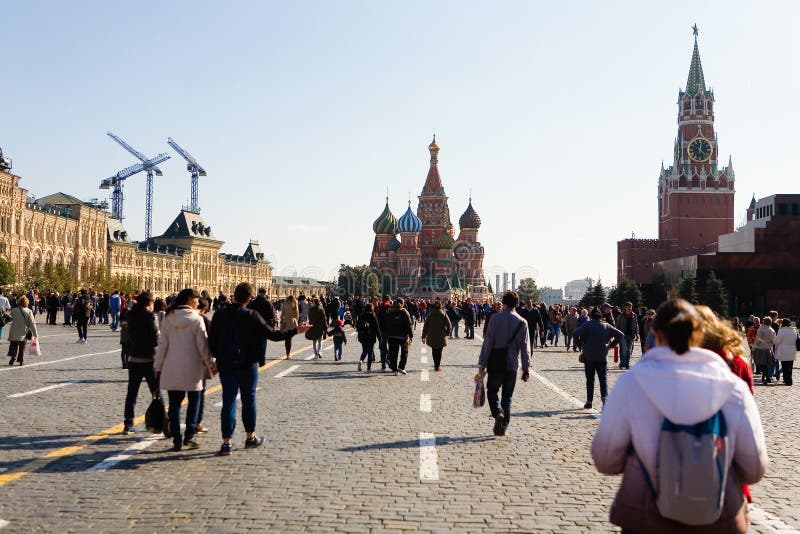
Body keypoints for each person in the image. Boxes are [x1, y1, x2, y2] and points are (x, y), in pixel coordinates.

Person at [591, 299, 768, 533]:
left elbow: (605, 459)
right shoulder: (733, 387)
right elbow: (754, 468)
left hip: (646, 514)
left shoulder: (632, 383)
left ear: (655, 333)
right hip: (718, 516)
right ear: (700, 334)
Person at [209, 282, 305, 456]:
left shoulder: (220, 315)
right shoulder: (252, 315)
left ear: (234, 295)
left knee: (228, 401)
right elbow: (273, 335)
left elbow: (212, 340)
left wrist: (217, 359)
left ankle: (226, 443)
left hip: (227, 364)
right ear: (249, 298)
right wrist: (295, 331)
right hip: (248, 364)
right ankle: (250, 437)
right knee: (248, 400)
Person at [154, 288, 211, 452]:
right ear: (188, 299)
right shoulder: (197, 319)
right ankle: (190, 435)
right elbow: (203, 346)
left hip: (172, 366)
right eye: (195, 299)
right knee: (194, 401)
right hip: (193, 366)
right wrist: (210, 364)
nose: (198, 302)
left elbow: (162, 346)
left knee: (174, 404)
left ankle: (177, 439)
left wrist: (158, 367)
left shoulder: (168, 317)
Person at [476, 291, 530, 436]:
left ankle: (498, 412)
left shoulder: (495, 319)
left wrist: (482, 363)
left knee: (492, 391)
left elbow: (488, 342)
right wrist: (526, 369)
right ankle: (503, 427)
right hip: (512, 364)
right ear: (517, 304)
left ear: (504, 303)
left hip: (496, 362)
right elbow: (525, 348)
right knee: (507, 396)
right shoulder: (522, 322)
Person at [122, 292, 160, 435]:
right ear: (150, 302)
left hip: (133, 358)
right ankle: (161, 422)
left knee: (131, 393)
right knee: (156, 393)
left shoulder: (131, 315)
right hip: (149, 359)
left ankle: (128, 424)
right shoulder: (151, 316)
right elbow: (157, 338)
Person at [573, 307, 623, 409]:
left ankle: (589, 402)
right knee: (603, 379)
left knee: (590, 380)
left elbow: (575, 333)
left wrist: (580, 346)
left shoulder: (587, 325)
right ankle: (605, 399)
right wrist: (610, 346)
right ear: (601, 316)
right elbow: (620, 335)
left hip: (589, 356)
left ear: (591, 316)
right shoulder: (606, 325)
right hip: (602, 356)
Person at [384, 297, 413, 375]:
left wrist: (386, 335)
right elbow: (409, 325)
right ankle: (401, 367)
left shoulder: (389, 312)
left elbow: (386, 324)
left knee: (393, 353)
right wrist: (411, 335)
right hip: (402, 336)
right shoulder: (404, 312)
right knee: (405, 352)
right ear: (402, 304)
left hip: (391, 336)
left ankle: (394, 370)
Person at [421, 301, 452, 371]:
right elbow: (449, 325)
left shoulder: (430, 314)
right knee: (439, 352)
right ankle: (437, 366)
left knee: (434, 351)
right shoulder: (443, 314)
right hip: (441, 336)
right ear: (440, 306)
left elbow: (425, 326)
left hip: (432, 336)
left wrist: (423, 336)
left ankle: (435, 365)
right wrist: (447, 333)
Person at [7, 295, 37, 366]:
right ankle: (21, 361)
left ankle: (13, 357)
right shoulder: (29, 311)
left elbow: (9, 319)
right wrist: (35, 334)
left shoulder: (14, 310)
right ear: (27, 303)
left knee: (13, 345)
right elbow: (32, 323)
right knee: (22, 346)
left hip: (14, 330)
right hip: (24, 331)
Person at [356, 303, 381, 372]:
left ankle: (361, 360)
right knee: (370, 352)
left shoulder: (361, 316)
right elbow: (377, 328)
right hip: (371, 336)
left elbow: (357, 326)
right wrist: (380, 338)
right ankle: (368, 368)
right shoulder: (373, 316)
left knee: (365, 350)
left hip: (363, 336)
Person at [614, 302, 640, 370]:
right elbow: (617, 325)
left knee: (628, 350)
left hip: (631, 335)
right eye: (628, 307)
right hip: (622, 335)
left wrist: (637, 333)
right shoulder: (621, 316)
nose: (629, 308)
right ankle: (622, 363)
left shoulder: (634, 315)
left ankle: (627, 364)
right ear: (625, 307)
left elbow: (636, 325)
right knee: (624, 349)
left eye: (630, 307)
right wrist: (617, 334)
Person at [752, 317, 777, 385]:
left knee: (762, 364)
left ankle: (767, 377)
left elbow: (758, 339)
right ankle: (766, 377)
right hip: (768, 348)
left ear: (763, 321)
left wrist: (754, 347)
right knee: (765, 364)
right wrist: (769, 345)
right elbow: (773, 341)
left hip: (760, 348)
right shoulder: (772, 330)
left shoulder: (761, 329)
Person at [773, 318, 796, 386]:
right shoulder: (793, 330)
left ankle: (787, 380)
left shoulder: (781, 330)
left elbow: (777, 341)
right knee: (790, 366)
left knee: (785, 365)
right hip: (792, 349)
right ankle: (789, 379)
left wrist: (773, 341)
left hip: (784, 349)